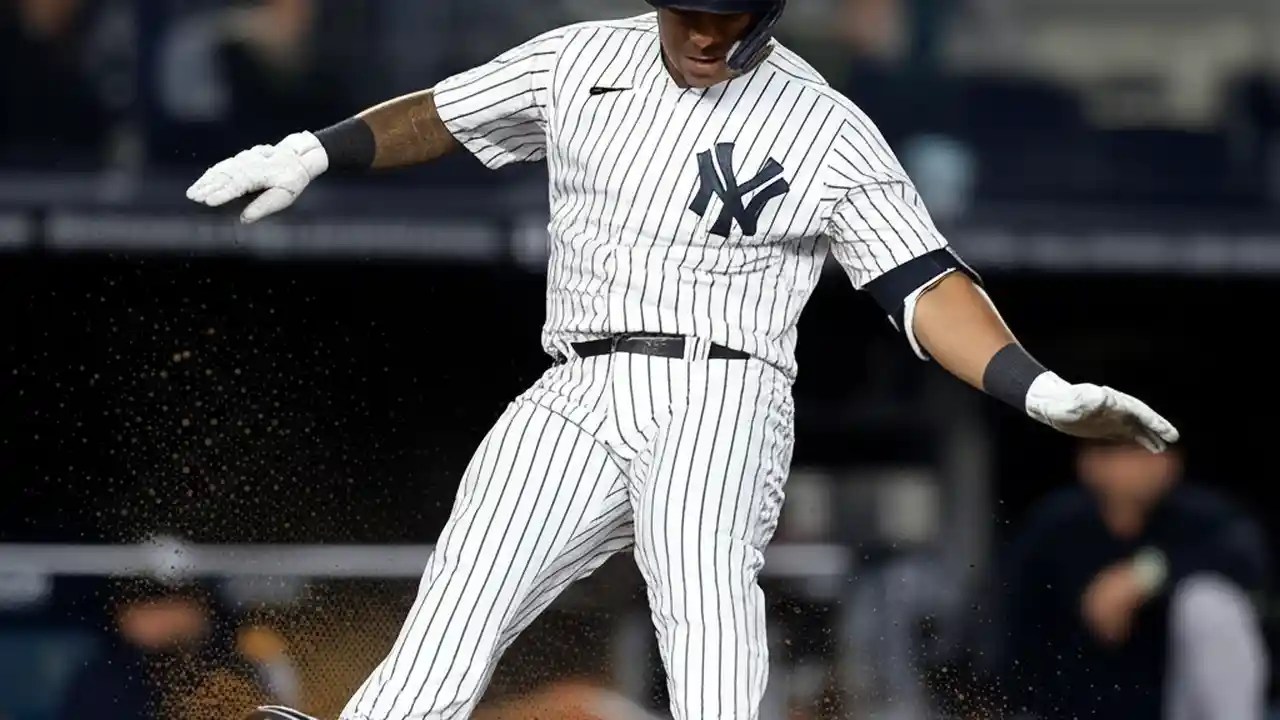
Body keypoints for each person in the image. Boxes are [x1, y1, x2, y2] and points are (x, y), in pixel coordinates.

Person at [187, 2, 1179, 718]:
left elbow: (920, 282)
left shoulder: (822, 123)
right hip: (575, 382)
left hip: (722, 383)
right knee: (459, 598)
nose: (709, 35)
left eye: (731, 17)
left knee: (701, 608)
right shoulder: (579, 59)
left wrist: (1033, 385)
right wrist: (316, 152)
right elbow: (446, 111)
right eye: (692, 11)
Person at [1001, 440, 1269, 720]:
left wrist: (1146, 575)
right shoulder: (1054, 528)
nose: (1154, 462)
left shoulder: (1197, 518)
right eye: (1135, 451)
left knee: (1209, 602)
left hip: (1172, 706)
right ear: (1091, 463)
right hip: (1074, 705)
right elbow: (1014, 634)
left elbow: (1248, 558)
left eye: (1160, 448)